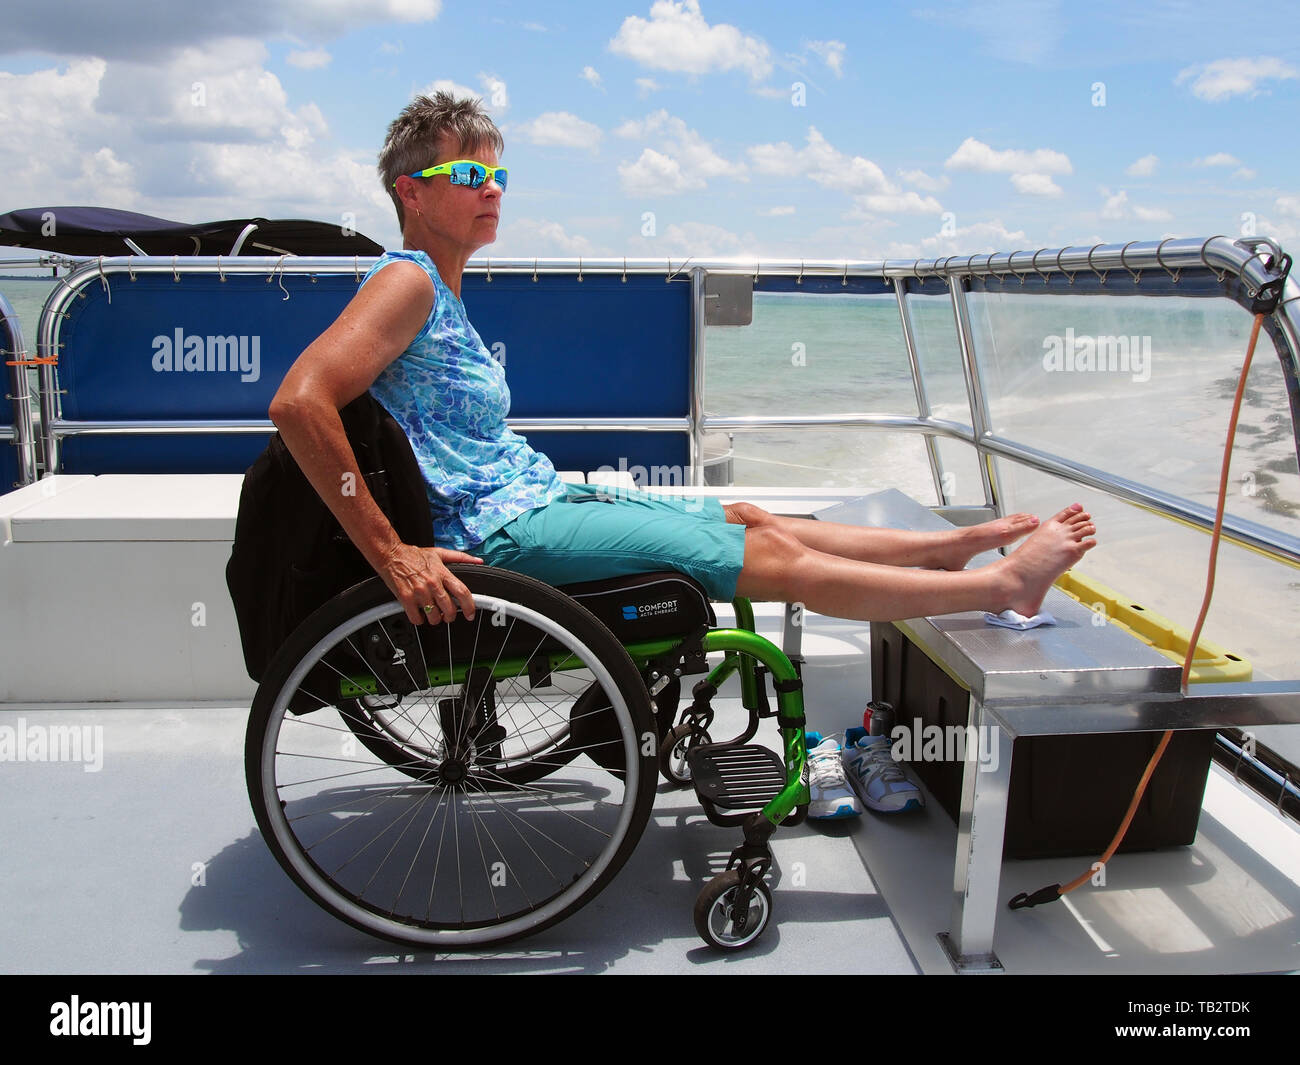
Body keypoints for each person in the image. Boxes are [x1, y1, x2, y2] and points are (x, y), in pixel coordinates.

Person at [270, 92, 1096, 629]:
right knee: (775, 560)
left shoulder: (441, 292)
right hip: (502, 529)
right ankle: (1000, 587)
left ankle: (941, 551)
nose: (492, 189)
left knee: (751, 519)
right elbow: (300, 401)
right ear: (411, 191)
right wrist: (393, 553)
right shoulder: (408, 281)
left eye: (498, 173)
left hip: (535, 496)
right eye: (467, 173)